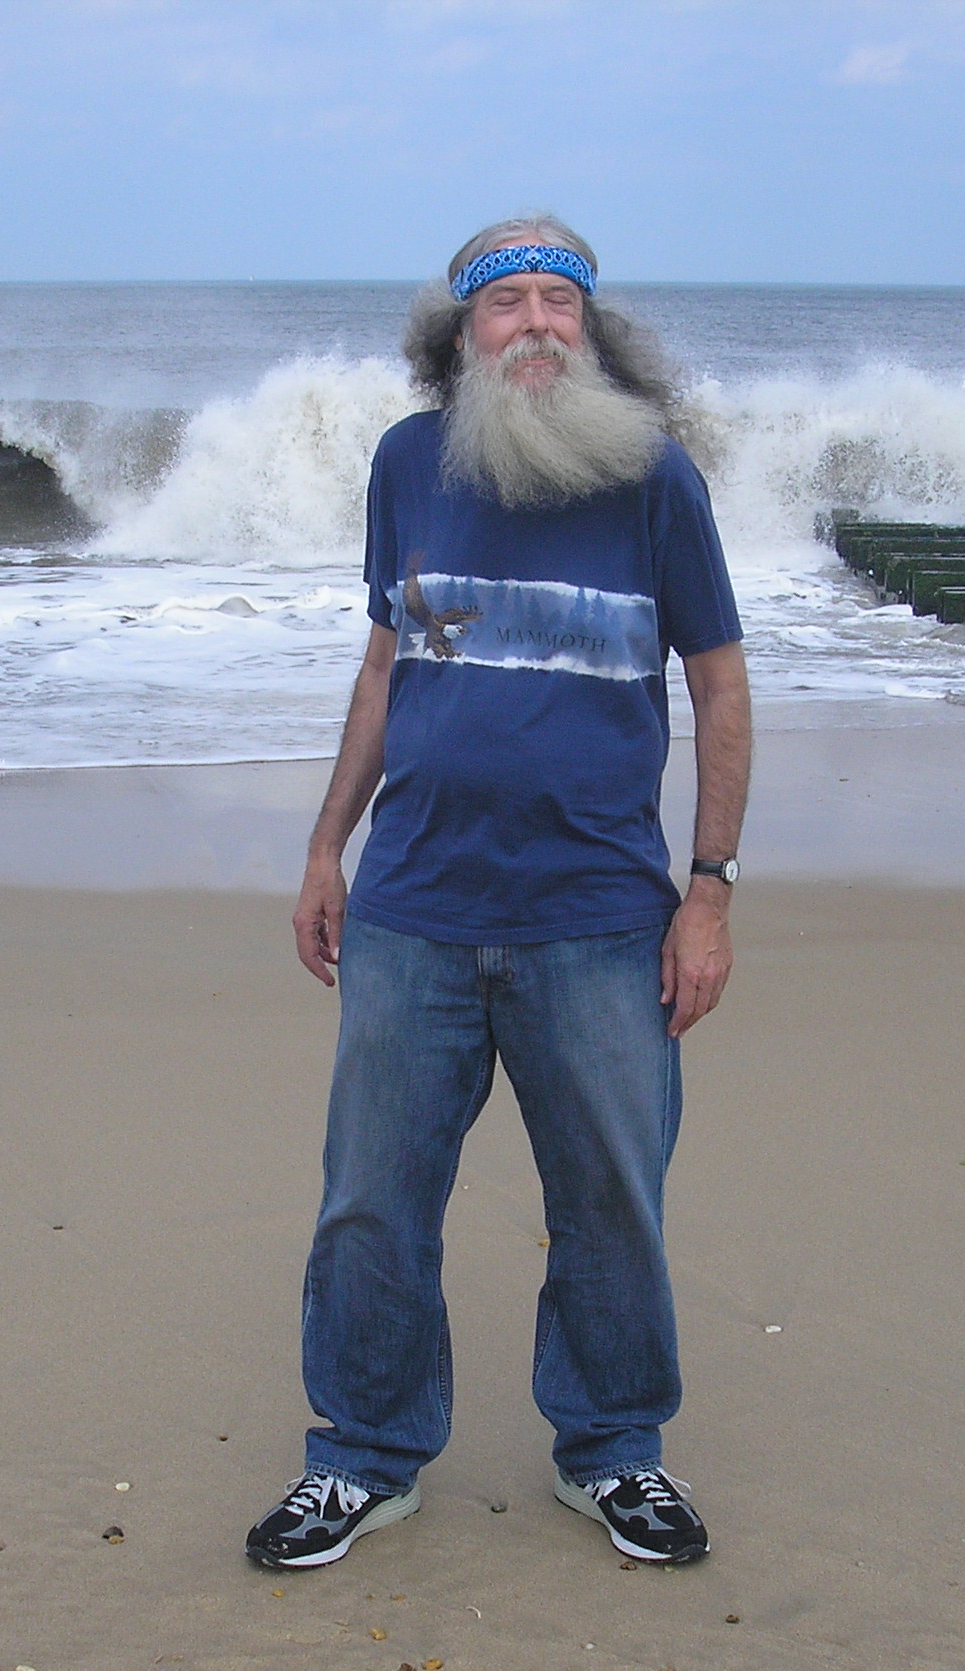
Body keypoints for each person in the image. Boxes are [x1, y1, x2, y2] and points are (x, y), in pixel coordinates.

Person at [244, 215, 753, 1571]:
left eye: (558, 301)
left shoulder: (654, 478)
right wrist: (325, 849)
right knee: (371, 1200)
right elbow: (383, 667)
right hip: (414, 908)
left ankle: (615, 1451)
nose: (536, 323)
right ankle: (362, 1458)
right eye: (506, 302)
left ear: (594, 328)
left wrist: (707, 893)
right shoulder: (408, 463)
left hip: (599, 919)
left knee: (610, 1202)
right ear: (460, 334)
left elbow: (719, 686)